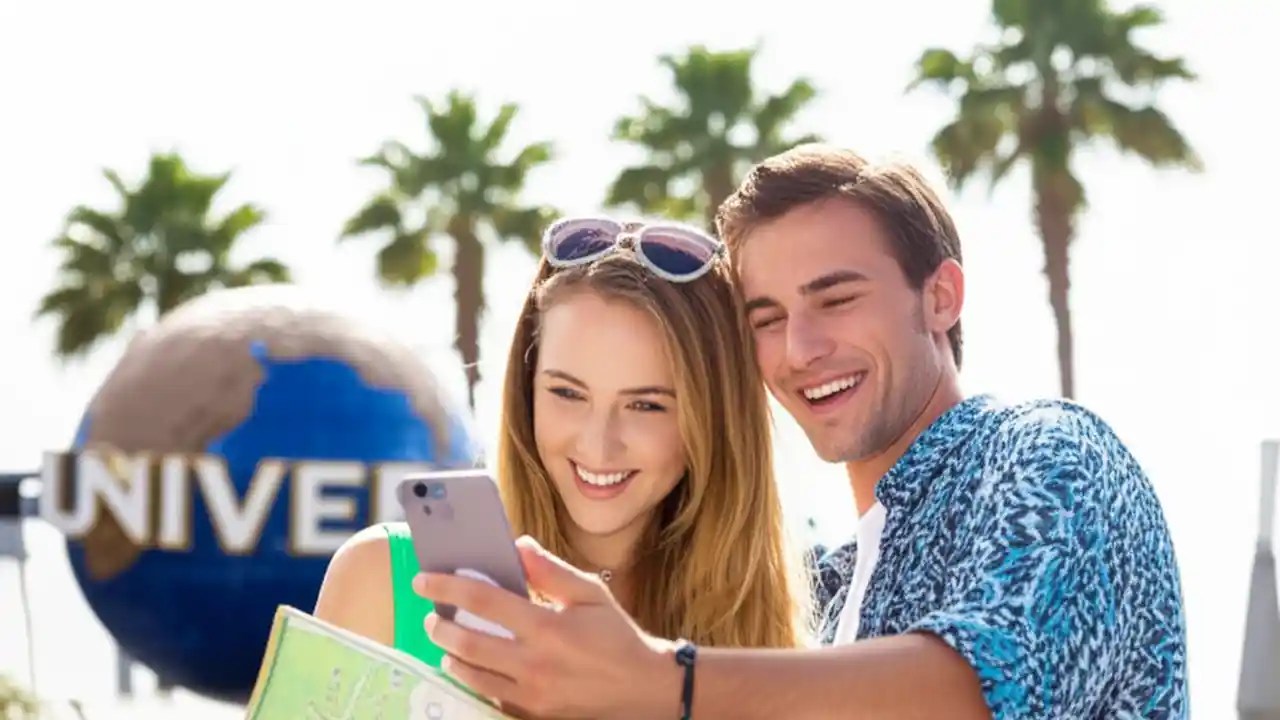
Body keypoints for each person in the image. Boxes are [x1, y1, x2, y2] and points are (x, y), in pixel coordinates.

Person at [413, 144, 1188, 719]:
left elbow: (981, 688)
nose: (800, 349)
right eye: (768, 318)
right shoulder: (816, 598)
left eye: (837, 298)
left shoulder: (1048, 453)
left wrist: (661, 679)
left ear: (941, 295)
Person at [312, 215, 814, 668]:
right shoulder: (385, 582)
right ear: (526, 390)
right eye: (567, 393)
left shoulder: (764, 644)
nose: (599, 445)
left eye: (647, 404)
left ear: (715, 420)